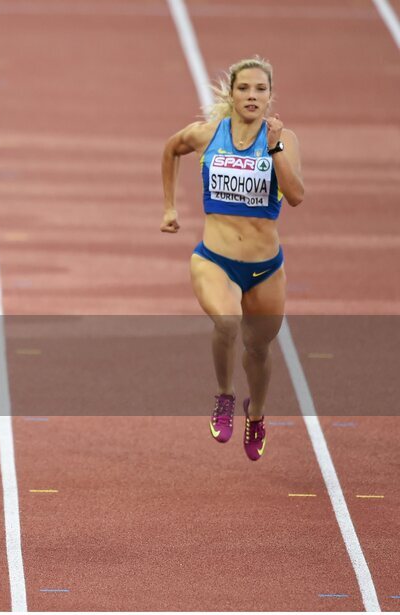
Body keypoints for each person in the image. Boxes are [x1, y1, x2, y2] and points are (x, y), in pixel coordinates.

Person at [161, 57, 304, 460]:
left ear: (270, 96)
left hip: (265, 269)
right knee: (227, 322)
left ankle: (255, 414)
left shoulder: (284, 139)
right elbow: (172, 149)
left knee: (258, 349)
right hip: (215, 259)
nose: (252, 96)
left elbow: (296, 195)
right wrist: (169, 206)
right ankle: (224, 396)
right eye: (244, 88)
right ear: (232, 93)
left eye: (260, 89)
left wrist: (274, 147)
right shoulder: (209, 134)